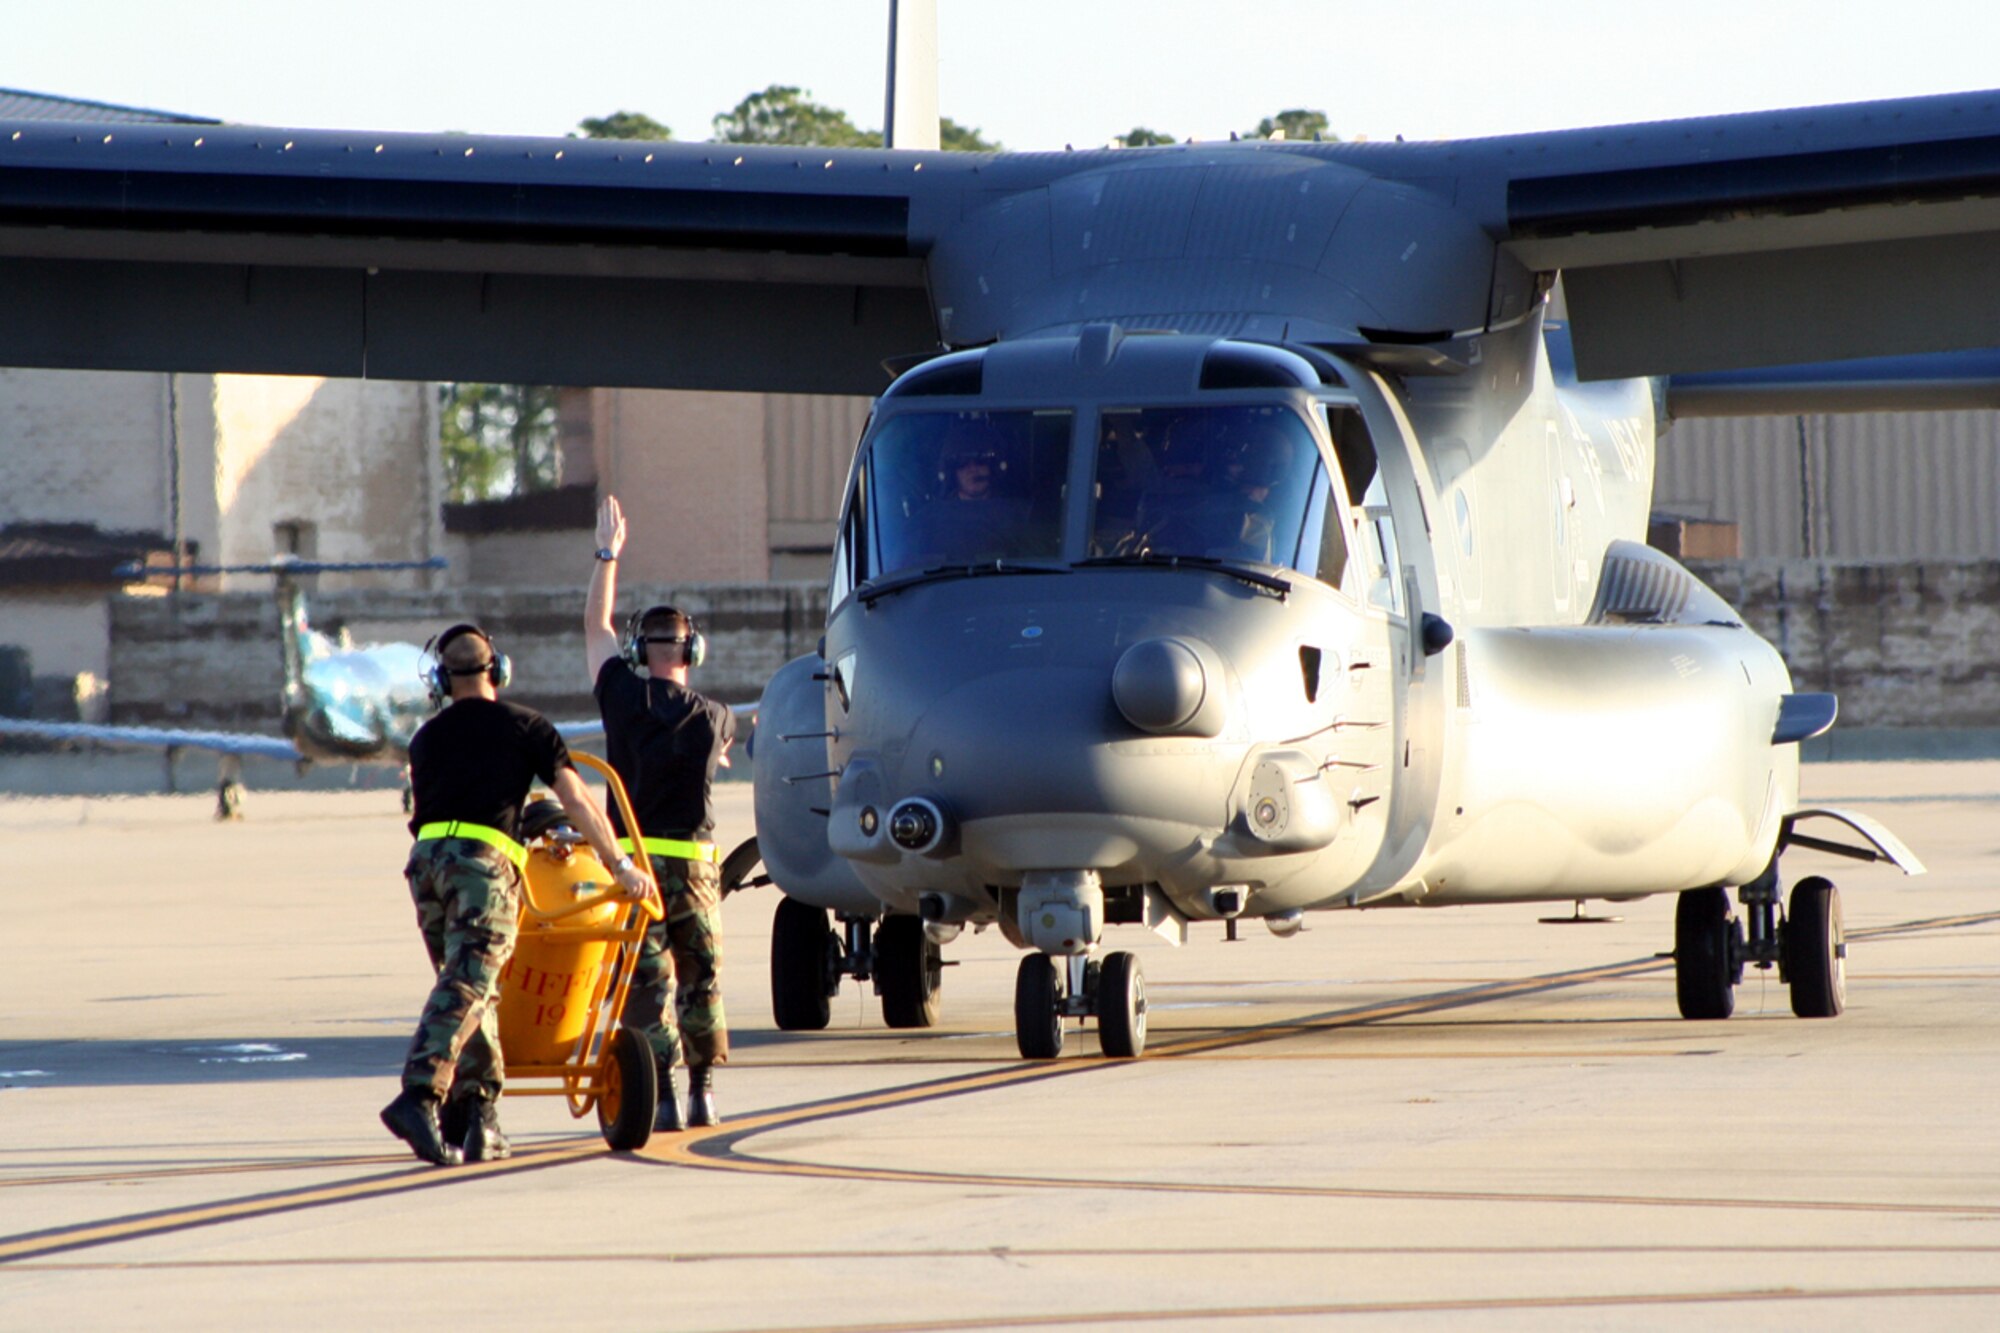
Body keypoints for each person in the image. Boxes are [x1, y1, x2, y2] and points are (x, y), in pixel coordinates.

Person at [384, 622, 653, 1166]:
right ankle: (420, 1092)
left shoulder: (425, 738)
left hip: (428, 864)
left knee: (472, 989)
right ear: (497, 670)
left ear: (441, 679)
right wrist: (620, 866)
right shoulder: (527, 726)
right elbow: (576, 801)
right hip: (480, 865)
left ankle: (481, 1120)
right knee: (471, 983)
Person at [585, 495, 738, 1131]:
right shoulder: (715, 716)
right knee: (702, 981)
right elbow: (721, 753)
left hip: (638, 868)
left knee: (650, 986)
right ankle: (704, 1091)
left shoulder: (621, 697)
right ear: (691, 651)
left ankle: (665, 1095)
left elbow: (593, 628)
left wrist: (607, 556)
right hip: (698, 869)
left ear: (637, 650)